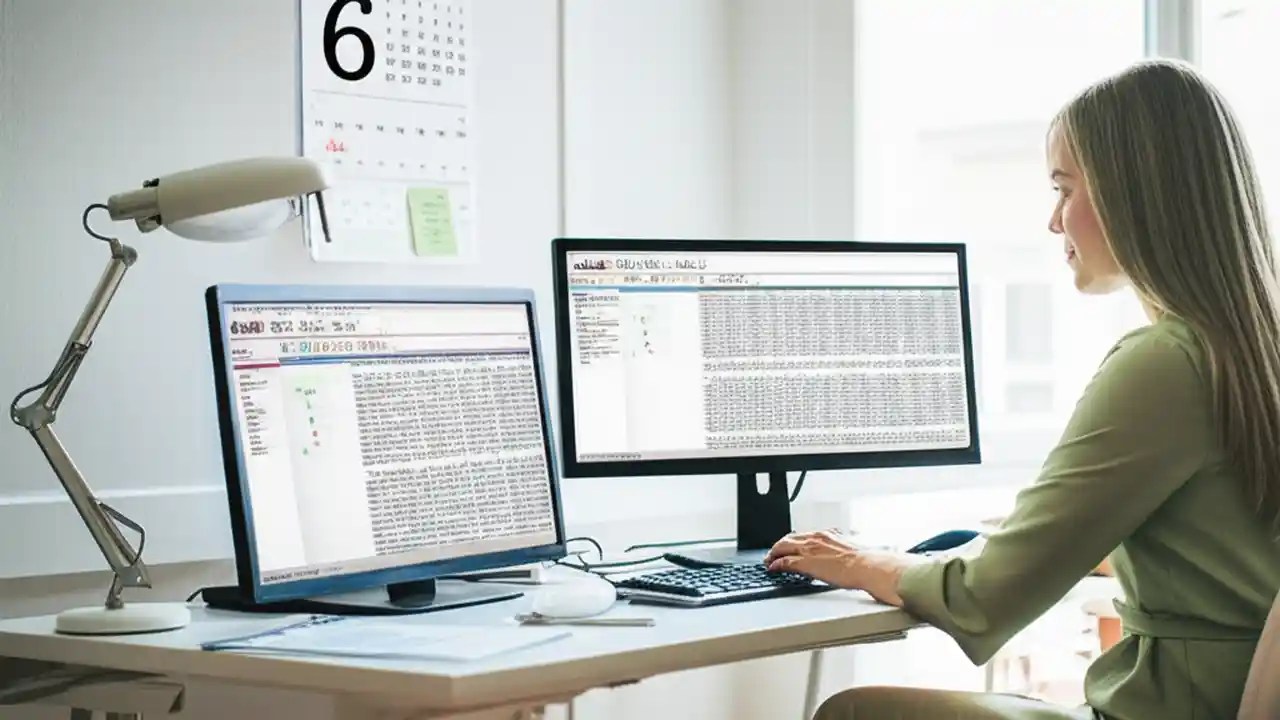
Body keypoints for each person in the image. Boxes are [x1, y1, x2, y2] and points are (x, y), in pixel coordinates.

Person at [765, 57, 1280, 719]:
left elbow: (987, 595)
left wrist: (863, 562)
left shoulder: (1166, 362)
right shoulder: (1250, 348)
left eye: (1065, 189)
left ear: (1135, 190)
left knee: (856, 711)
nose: (1054, 221)